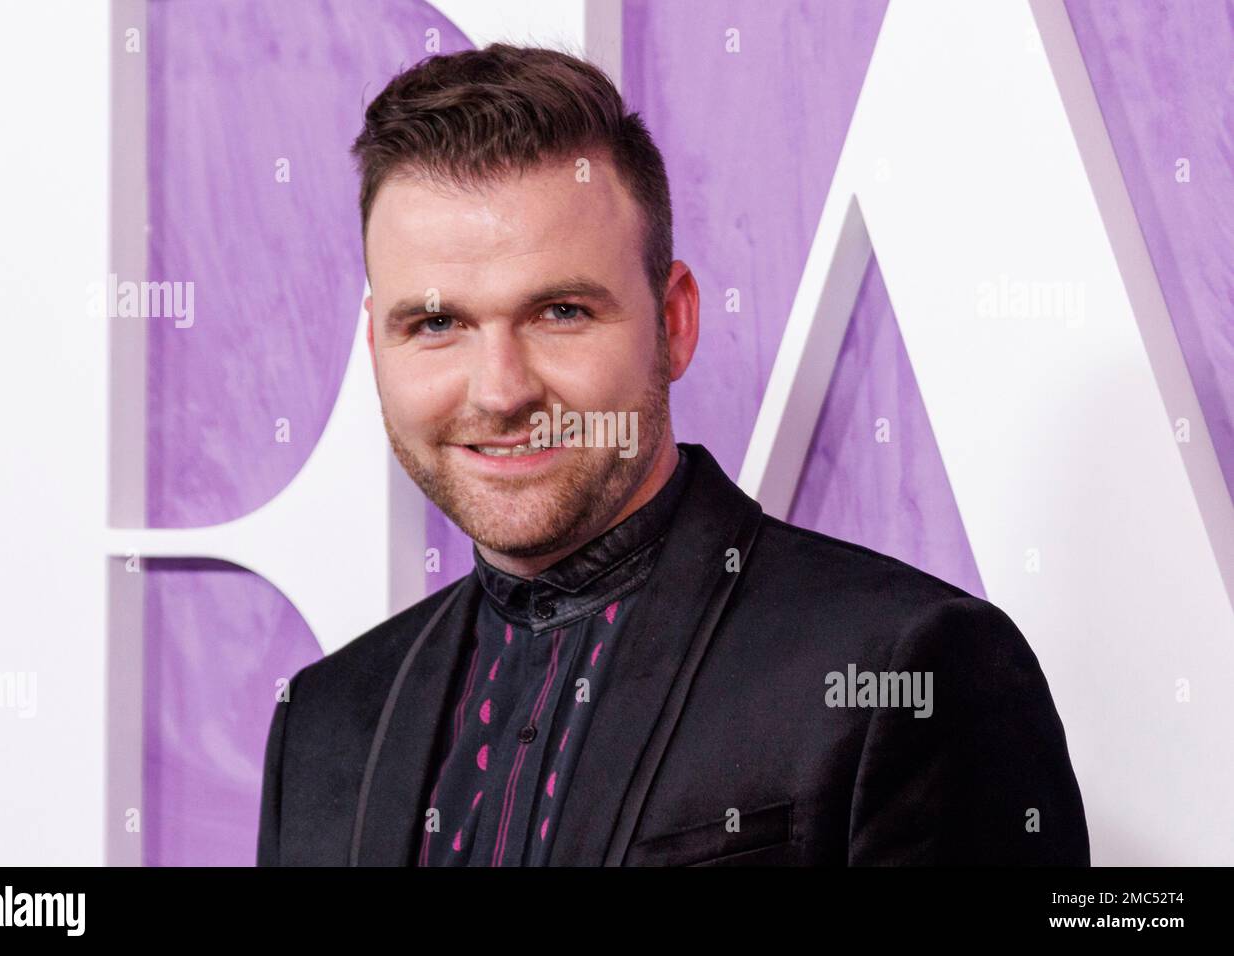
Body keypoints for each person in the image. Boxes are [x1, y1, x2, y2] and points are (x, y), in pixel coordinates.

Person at [257, 43, 1090, 867]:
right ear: (377, 346)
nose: (501, 392)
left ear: (676, 321)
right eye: (437, 324)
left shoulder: (905, 669)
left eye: (561, 312)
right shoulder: (324, 724)